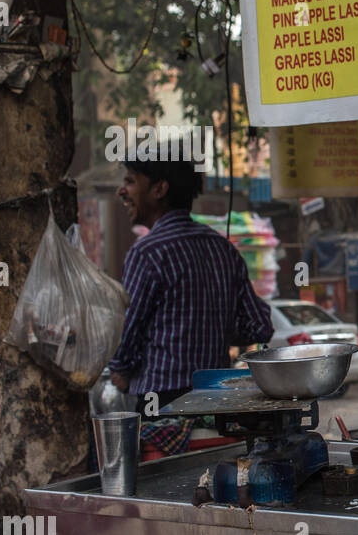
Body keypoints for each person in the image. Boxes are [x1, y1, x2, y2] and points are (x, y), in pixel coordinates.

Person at [108, 151, 275, 410]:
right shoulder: (222, 248)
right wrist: (212, 330)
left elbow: (127, 333)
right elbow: (260, 327)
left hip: (161, 405)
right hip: (216, 403)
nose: (121, 191)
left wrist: (119, 370)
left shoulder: (147, 252)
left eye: (130, 181)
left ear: (159, 189)